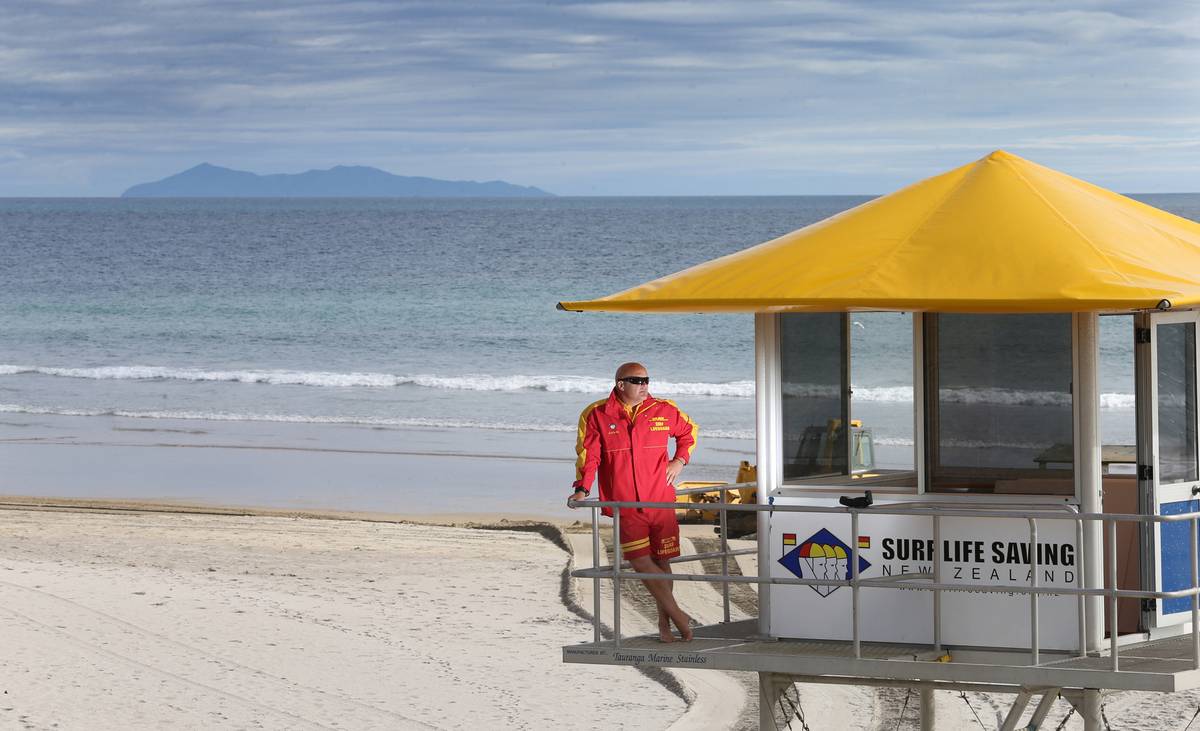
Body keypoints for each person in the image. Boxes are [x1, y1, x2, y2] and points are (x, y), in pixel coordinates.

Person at [569, 362, 698, 642]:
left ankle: (665, 626)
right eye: (637, 381)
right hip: (626, 504)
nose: (644, 386)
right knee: (641, 562)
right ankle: (678, 615)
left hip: (661, 502)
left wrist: (679, 460)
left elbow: (690, 432)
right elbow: (588, 456)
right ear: (620, 384)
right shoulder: (596, 414)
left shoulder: (664, 409)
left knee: (663, 563)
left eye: (647, 381)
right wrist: (582, 488)